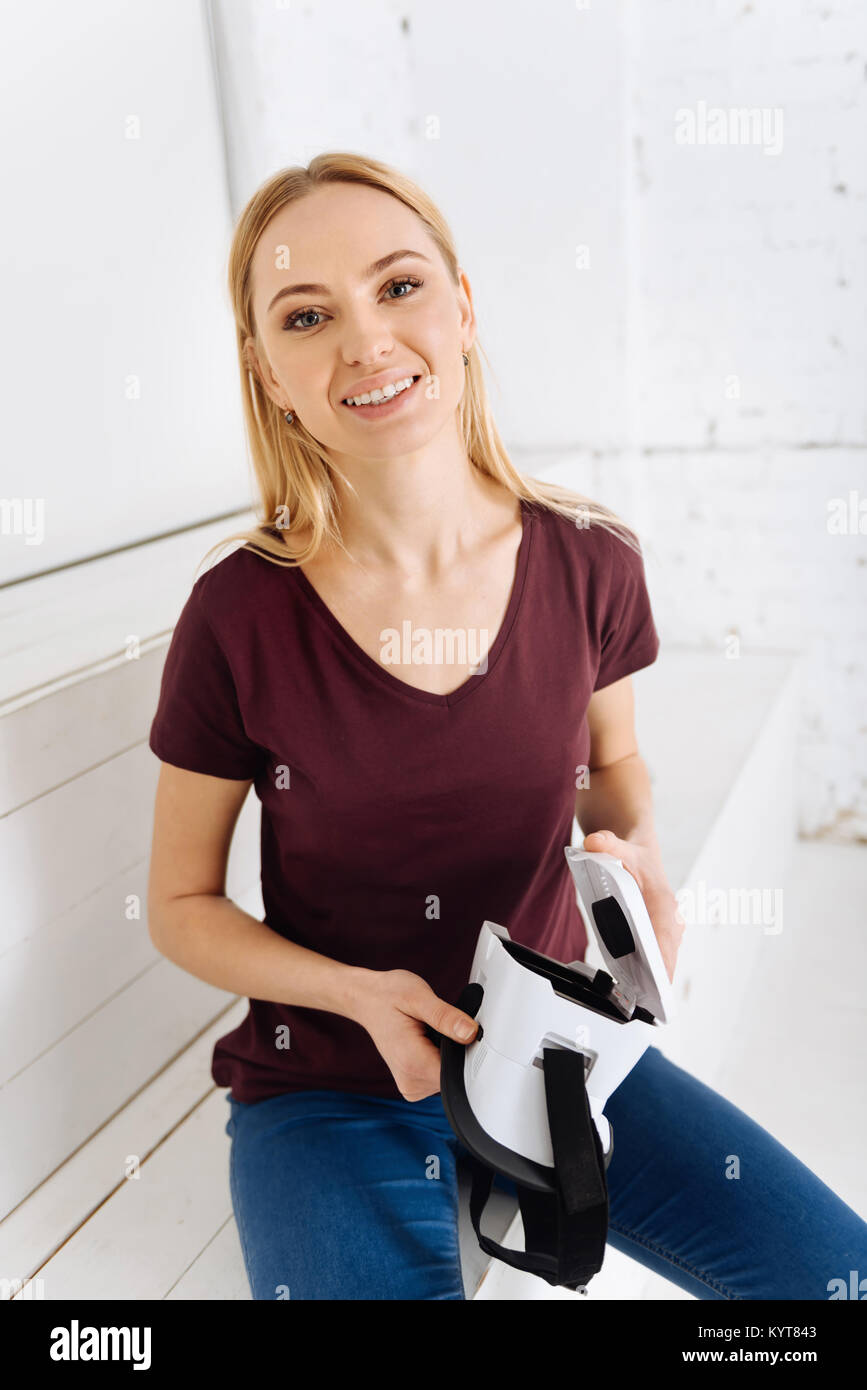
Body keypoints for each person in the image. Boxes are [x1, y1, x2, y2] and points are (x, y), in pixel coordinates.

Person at [147, 152, 867, 1301]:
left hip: (556, 1053)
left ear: (464, 308)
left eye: (398, 287)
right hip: (329, 1086)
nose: (366, 342)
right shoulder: (238, 610)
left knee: (842, 1279)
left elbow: (612, 770)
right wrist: (354, 993)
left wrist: (639, 864)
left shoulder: (590, 560)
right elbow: (179, 905)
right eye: (306, 314)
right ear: (267, 372)